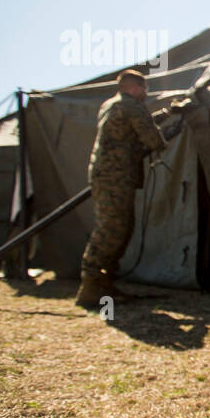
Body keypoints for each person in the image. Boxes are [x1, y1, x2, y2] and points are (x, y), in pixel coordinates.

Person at [75, 69, 166, 308]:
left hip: (104, 175)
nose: (145, 94)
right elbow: (153, 140)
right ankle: (91, 284)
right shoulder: (131, 106)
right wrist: (163, 132)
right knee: (112, 229)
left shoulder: (109, 105)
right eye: (143, 88)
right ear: (134, 87)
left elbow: (128, 134)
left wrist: (164, 115)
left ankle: (102, 283)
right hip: (117, 177)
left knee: (118, 227)